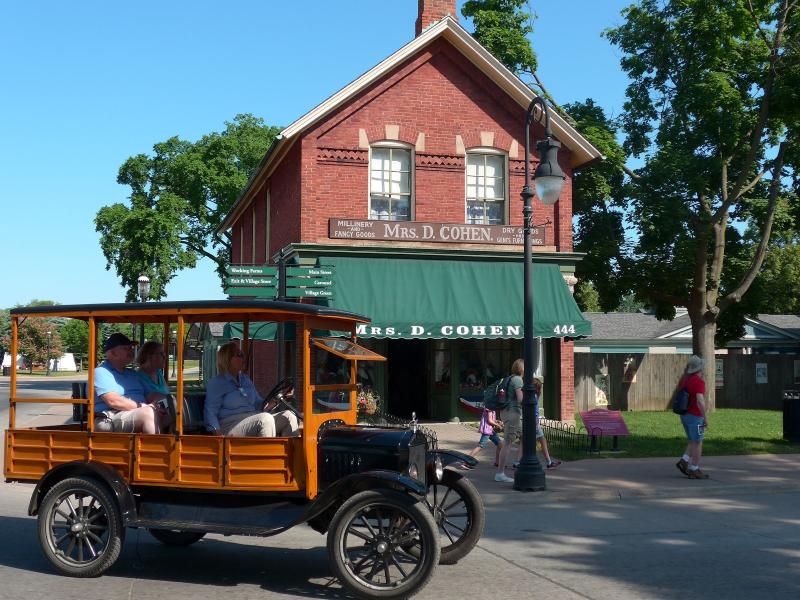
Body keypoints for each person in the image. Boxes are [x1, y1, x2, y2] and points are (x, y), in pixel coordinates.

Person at [204, 341, 299, 438]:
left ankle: (295, 452)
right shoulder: (217, 383)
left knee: (289, 416)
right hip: (229, 425)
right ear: (228, 359)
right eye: (239, 355)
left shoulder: (245, 380)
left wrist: (278, 398)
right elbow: (210, 411)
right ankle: (268, 453)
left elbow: (260, 404)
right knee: (265, 419)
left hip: (252, 417)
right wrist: (217, 434)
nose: (243, 358)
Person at [94, 333, 164, 434]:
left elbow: (150, 394)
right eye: (126, 348)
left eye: (131, 348)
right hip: (110, 416)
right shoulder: (100, 372)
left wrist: (165, 400)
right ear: (113, 352)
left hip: (135, 413)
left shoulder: (132, 374)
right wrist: (143, 406)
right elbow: (114, 401)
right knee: (149, 413)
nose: (131, 351)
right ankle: (154, 448)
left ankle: (175, 447)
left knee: (174, 411)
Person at [513, 377, 561, 469]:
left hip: (527, 420)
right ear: (537, 388)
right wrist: (535, 423)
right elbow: (534, 411)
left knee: (524, 441)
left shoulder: (526, 395)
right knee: (541, 440)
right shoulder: (533, 396)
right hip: (533, 422)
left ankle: (517, 462)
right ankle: (549, 462)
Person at [676, 355, 709, 479]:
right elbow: (700, 400)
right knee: (698, 442)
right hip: (695, 416)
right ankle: (694, 468)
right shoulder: (698, 382)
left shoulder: (686, 380)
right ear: (700, 368)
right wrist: (705, 418)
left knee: (692, 440)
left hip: (685, 415)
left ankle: (684, 461)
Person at [495, 358, 524, 483]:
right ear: (522, 368)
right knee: (507, 443)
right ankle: (500, 473)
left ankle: (519, 462)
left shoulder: (509, 378)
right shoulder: (517, 380)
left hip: (506, 412)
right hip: (513, 413)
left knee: (525, 436)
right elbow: (520, 399)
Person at [135, 341, 173, 432]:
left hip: (166, 411)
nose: (165, 357)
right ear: (149, 356)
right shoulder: (139, 376)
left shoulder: (158, 373)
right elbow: (151, 397)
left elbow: (167, 394)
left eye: (165, 354)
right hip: (153, 413)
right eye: (161, 354)